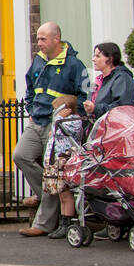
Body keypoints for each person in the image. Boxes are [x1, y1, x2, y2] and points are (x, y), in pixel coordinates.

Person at [14, 22, 88, 236]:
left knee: (51, 172)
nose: (39, 43)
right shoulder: (37, 62)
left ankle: (43, 224)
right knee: (20, 155)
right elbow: (29, 90)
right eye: (38, 38)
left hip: (57, 126)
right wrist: (30, 107)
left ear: (57, 39)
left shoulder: (74, 65)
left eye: (43, 39)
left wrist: (72, 110)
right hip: (36, 121)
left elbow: (84, 95)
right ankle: (47, 193)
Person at [42, 95, 88, 239]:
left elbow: (63, 130)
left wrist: (58, 119)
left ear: (67, 109)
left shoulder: (73, 121)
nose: (55, 113)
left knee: (67, 195)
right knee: (61, 195)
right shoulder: (59, 122)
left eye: (57, 110)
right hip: (56, 161)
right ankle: (63, 224)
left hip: (66, 161)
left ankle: (67, 224)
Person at [83, 42, 134, 119]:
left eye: (98, 56)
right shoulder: (98, 80)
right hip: (98, 127)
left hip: (115, 128)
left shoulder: (122, 78)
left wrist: (95, 109)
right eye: (94, 56)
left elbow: (122, 108)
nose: (93, 59)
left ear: (110, 59)